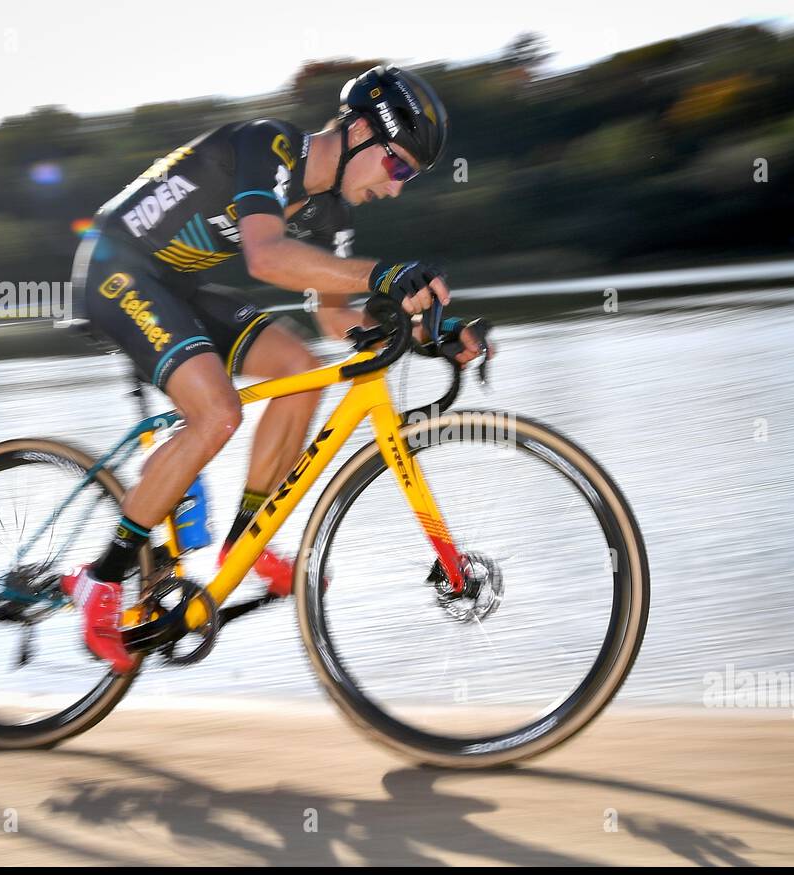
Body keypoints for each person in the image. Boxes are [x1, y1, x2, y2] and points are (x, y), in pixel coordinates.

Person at [61, 64, 492, 674]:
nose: (395, 188)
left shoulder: (329, 211)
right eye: (396, 167)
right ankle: (99, 582)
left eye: (408, 179)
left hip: (176, 285)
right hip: (116, 267)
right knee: (217, 413)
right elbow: (266, 257)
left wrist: (433, 333)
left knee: (300, 370)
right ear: (362, 131)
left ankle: (246, 538)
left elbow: (337, 320)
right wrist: (387, 275)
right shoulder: (268, 145)